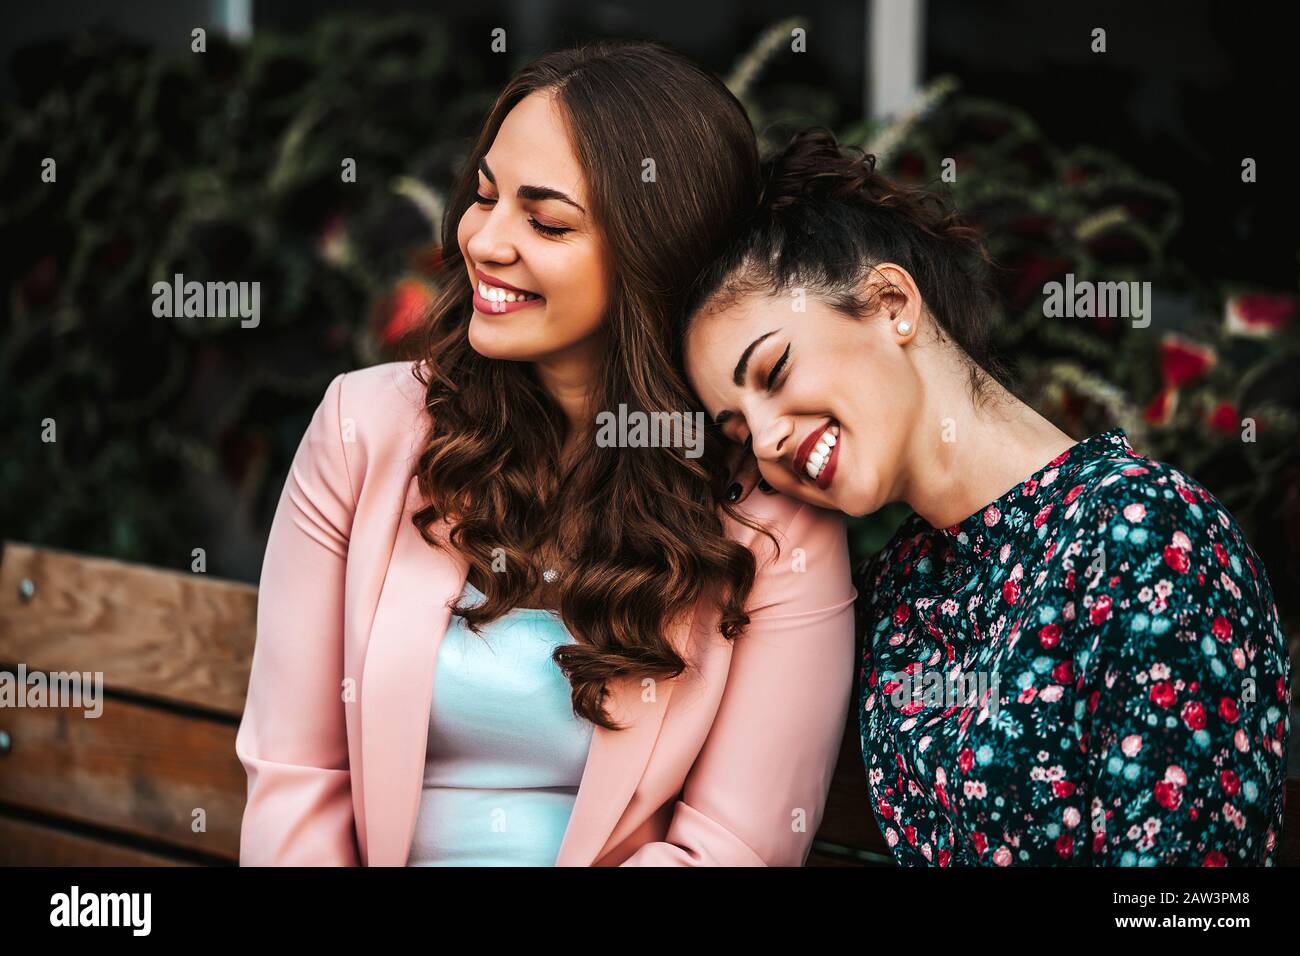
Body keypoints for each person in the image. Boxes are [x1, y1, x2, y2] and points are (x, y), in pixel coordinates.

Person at [680, 127, 1291, 865]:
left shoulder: (1147, 535)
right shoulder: (895, 594)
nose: (769, 440)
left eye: (774, 371)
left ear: (889, 301)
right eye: (739, 431)